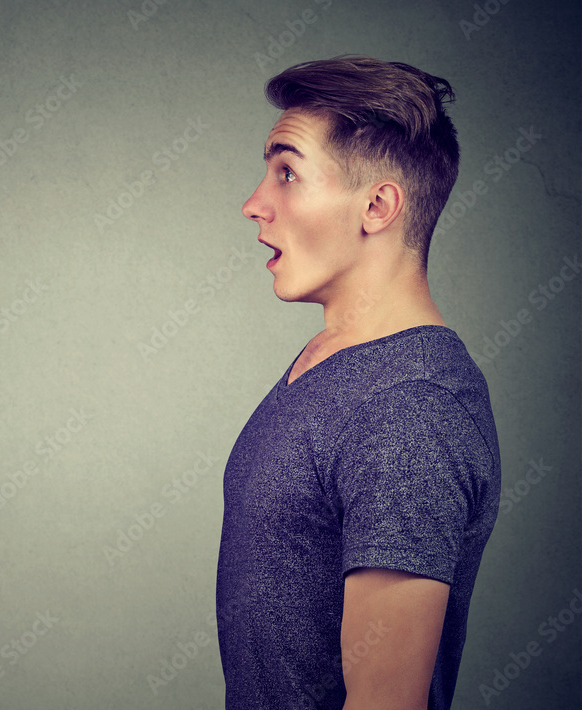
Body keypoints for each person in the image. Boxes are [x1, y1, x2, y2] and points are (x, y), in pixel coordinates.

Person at [215, 55, 501, 709]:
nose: (254, 204)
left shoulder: (408, 409)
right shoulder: (334, 363)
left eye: (287, 172)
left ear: (377, 206)